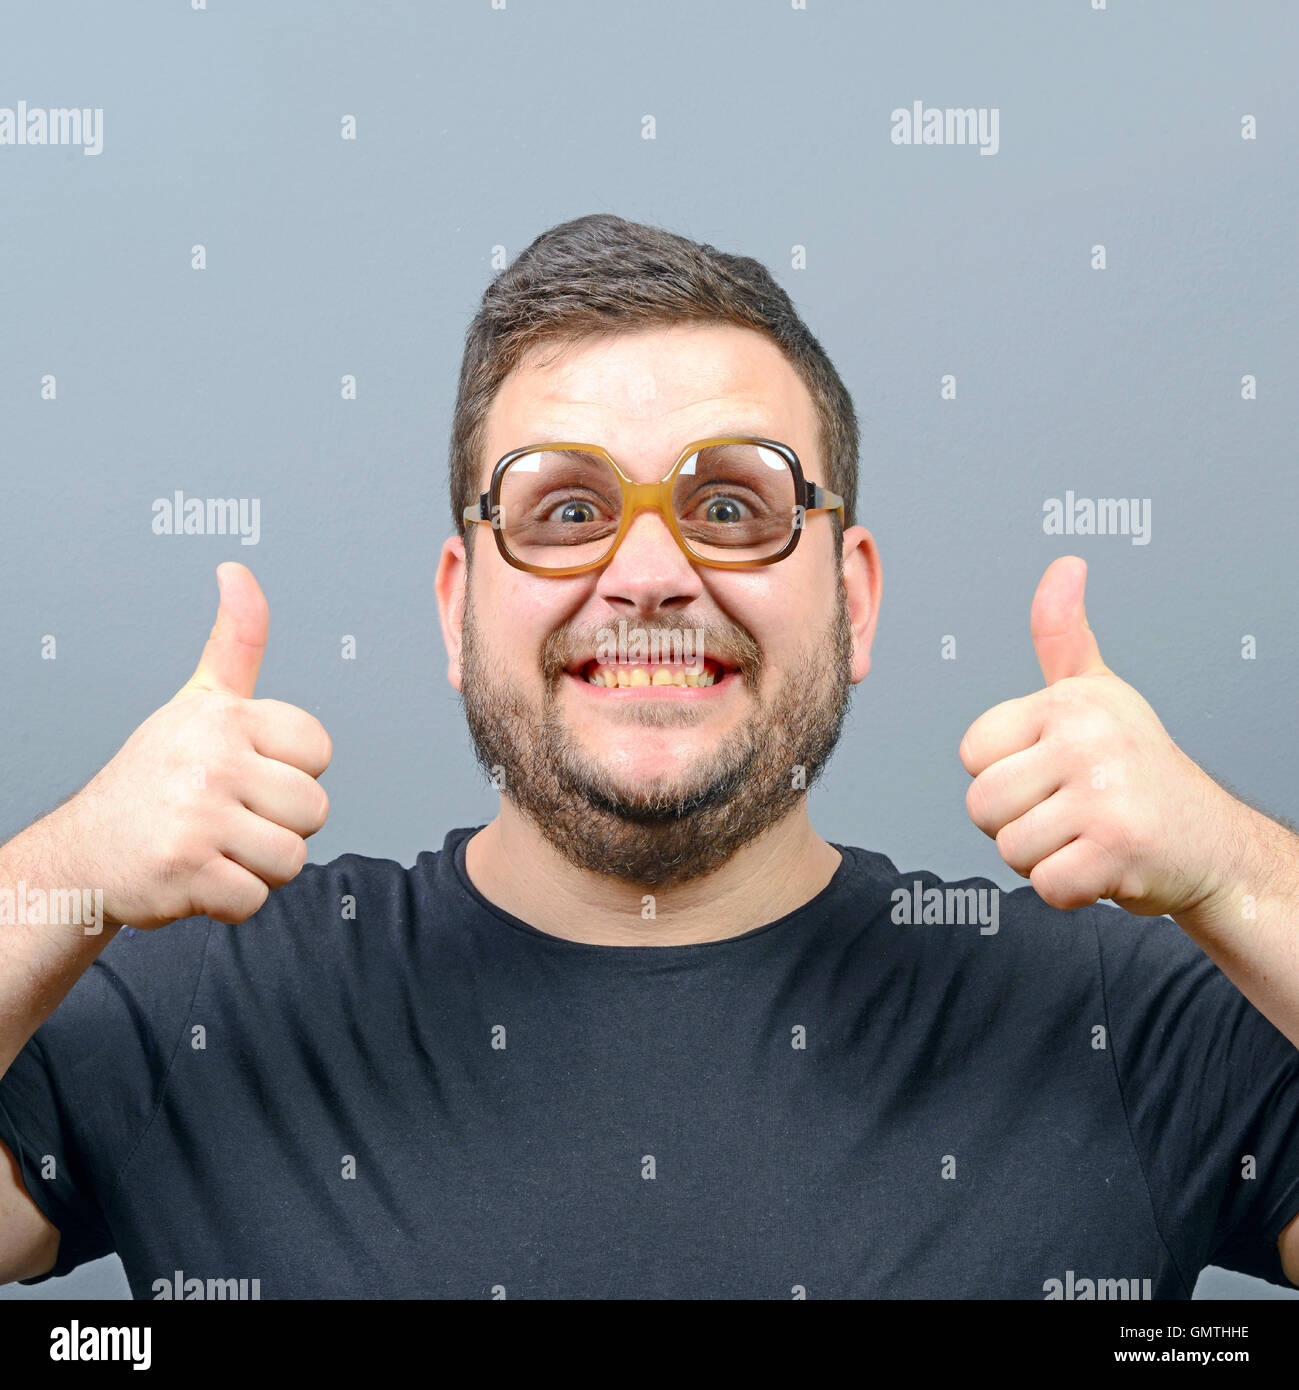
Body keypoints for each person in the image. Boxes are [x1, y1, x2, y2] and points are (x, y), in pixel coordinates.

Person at [2, 213, 1297, 1300]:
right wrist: (56, 879)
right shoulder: (201, 1009)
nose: (652, 574)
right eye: (565, 509)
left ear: (856, 593)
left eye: (731, 505)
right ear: (458, 606)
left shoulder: (1124, 1025)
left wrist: (1242, 875)